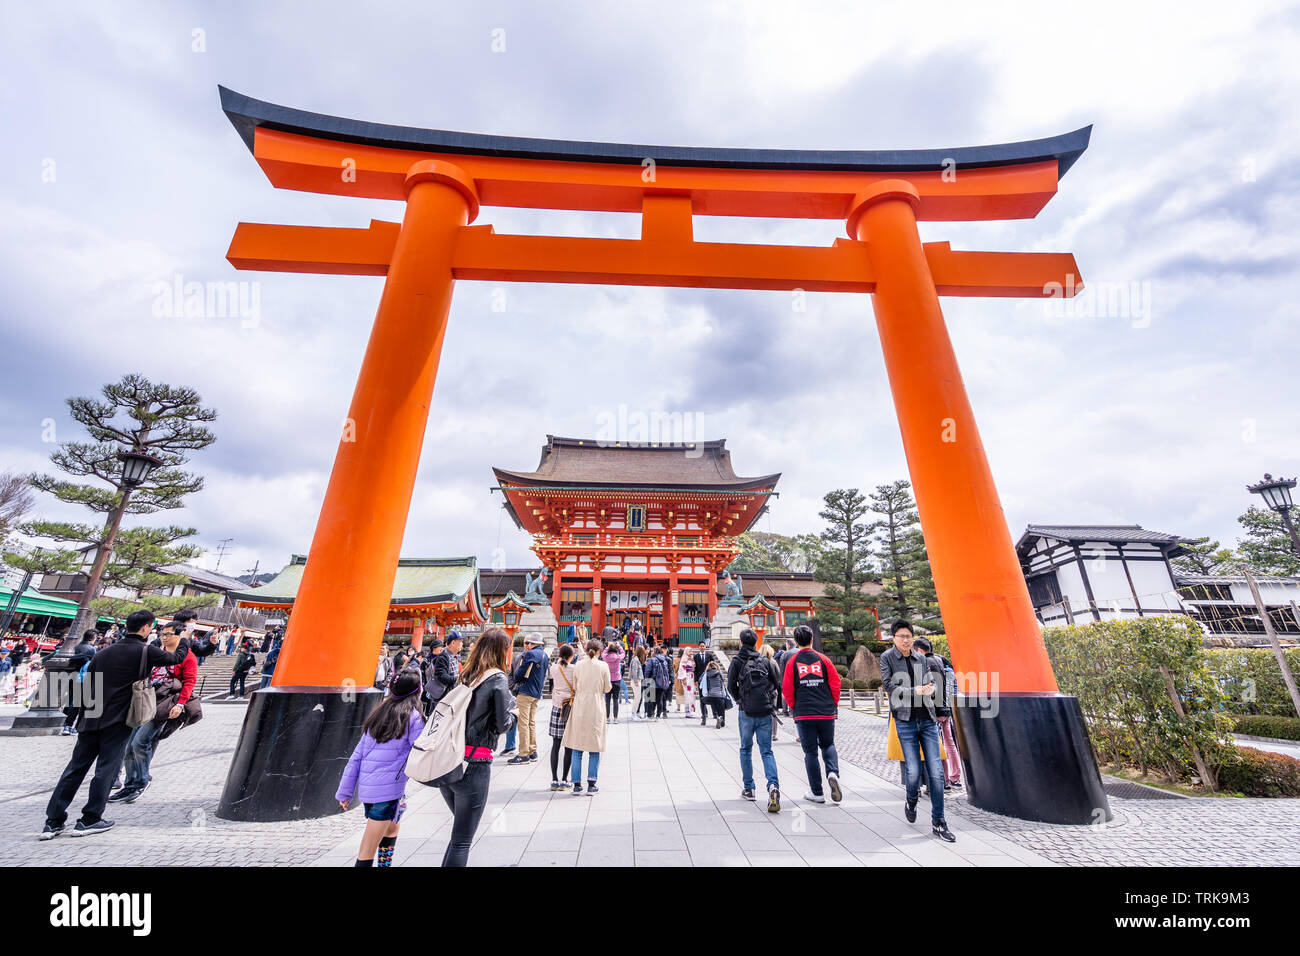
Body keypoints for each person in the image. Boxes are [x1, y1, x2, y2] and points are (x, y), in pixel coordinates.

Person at [40, 608, 192, 840]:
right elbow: (176, 659)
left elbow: (87, 683)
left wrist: (80, 716)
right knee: (106, 770)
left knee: (75, 769)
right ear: (145, 628)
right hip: (119, 720)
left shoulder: (103, 652)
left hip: (91, 717)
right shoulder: (145, 651)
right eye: (151, 627)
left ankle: (53, 821)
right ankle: (90, 819)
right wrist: (182, 639)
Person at [437, 628, 516, 866]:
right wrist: (515, 715)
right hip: (475, 764)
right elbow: (503, 725)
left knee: (458, 835)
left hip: (450, 760)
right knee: (462, 840)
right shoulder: (498, 678)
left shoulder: (467, 674)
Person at [336, 668, 425, 867]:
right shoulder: (413, 717)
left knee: (392, 829)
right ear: (417, 691)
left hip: (374, 789)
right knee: (367, 849)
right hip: (387, 791)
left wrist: (346, 791)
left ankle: (385, 864)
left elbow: (356, 756)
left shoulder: (378, 713)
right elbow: (420, 748)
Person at [880, 621, 956, 843]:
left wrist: (931, 687)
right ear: (893, 637)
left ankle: (939, 821)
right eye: (901, 636)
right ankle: (911, 798)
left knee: (936, 774)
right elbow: (889, 686)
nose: (906, 639)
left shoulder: (921, 658)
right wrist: (914, 690)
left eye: (909, 636)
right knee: (913, 771)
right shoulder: (887, 658)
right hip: (905, 721)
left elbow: (931, 682)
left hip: (928, 719)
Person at [110, 623, 198, 803]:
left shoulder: (188, 657)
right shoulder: (157, 652)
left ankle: (141, 781)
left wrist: (180, 704)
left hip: (164, 705)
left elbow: (189, 681)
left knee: (141, 742)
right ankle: (129, 785)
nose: (164, 637)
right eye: (162, 634)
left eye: (169, 634)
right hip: (145, 701)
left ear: (180, 636)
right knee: (129, 745)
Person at [782, 623, 842, 805]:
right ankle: (833, 772)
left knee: (810, 752)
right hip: (825, 710)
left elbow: (787, 688)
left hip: (804, 712)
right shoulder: (824, 660)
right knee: (828, 744)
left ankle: (817, 792)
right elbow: (835, 683)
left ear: (796, 642)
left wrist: (794, 707)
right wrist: (833, 704)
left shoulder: (792, 662)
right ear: (812, 639)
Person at [727, 628, 782, 811]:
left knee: (746, 749)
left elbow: (730, 685)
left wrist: (740, 700)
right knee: (766, 751)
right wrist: (767, 696)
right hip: (765, 711)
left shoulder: (736, 661)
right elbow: (775, 683)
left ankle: (749, 788)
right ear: (755, 643)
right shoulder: (764, 660)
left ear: (741, 642)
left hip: (746, 711)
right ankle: (773, 785)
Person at [912, 637, 963, 791]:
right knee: (950, 743)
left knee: (936, 746)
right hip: (946, 708)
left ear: (920, 650)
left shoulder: (924, 664)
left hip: (934, 710)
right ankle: (955, 777)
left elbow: (928, 689)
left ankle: (944, 780)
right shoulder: (942, 660)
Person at [562, 639, 612, 794]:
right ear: (599, 651)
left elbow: (575, 685)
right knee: (594, 746)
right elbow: (607, 687)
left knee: (577, 747)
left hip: (580, 705)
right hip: (595, 705)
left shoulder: (578, 664)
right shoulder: (603, 666)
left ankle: (576, 784)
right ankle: (591, 783)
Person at [508, 633, 548, 765]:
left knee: (523, 723)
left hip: (525, 691)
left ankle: (523, 753)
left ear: (532, 644)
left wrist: (515, 681)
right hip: (536, 692)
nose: (526, 646)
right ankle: (532, 750)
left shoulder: (530, 654)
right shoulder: (544, 655)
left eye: (527, 643)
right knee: (531, 722)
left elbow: (519, 674)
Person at [548, 644, 578, 790]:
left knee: (556, 744)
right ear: (571, 656)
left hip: (557, 707)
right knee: (568, 746)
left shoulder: (553, 668)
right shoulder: (574, 669)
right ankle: (565, 779)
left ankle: (554, 779)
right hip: (570, 707)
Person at [62, 630, 99, 736]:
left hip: (73, 674)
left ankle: (65, 722)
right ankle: (70, 725)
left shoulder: (77, 646)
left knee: (70, 698)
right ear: (94, 638)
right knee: (78, 703)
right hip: (83, 677)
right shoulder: (92, 650)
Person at [426, 631, 463, 709]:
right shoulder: (444, 656)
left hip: (449, 697)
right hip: (442, 698)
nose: (462, 644)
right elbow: (441, 676)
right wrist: (458, 679)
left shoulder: (454, 656)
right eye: (460, 642)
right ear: (453, 643)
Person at [759, 643, 781, 741]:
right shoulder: (773, 662)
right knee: (773, 712)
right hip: (772, 690)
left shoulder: (758, 662)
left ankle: (763, 732)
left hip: (761, 690)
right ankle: (774, 734)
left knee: (762, 711)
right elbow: (778, 676)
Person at [693, 641, 718, 727]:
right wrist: (695, 680)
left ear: (705, 647)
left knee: (712, 696)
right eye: (701, 646)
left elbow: (714, 667)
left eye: (704, 646)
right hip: (700, 680)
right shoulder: (696, 657)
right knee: (702, 698)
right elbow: (695, 670)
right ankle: (704, 715)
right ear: (698, 647)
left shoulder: (709, 656)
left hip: (709, 679)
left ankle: (715, 713)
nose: (702, 647)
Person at [601, 635, 625, 723]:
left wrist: (607, 647)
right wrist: (619, 646)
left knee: (607, 699)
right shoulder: (618, 657)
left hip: (608, 679)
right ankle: (615, 718)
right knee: (615, 699)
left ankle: (607, 718)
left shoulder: (606, 657)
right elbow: (623, 654)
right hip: (617, 679)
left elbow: (602, 653)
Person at [699, 658, 728, 728]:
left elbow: (700, 682)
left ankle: (704, 718)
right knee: (721, 705)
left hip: (709, 697)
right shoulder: (719, 673)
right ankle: (721, 719)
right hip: (719, 697)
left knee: (702, 701)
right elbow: (723, 681)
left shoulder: (705, 674)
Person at [627, 646, 646, 721]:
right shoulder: (635, 660)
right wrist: (635, 681)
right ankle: (633, 714)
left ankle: (634, 713)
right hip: (636, 681)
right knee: (637, 698)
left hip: (637, 680)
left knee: (638, 698)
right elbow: (634, 671)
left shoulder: (635, 659)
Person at [676, 650, 696, 719]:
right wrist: (683, 678)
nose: (691, 652)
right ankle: (687, 711)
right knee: (687, 695)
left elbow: (693, 668)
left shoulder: (691, 658)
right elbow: (682, 669)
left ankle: (691, 711)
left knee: (691, 694)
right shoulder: (684, 659)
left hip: (691, 677)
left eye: (691, 651)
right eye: (690, 651)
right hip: (687, 678)